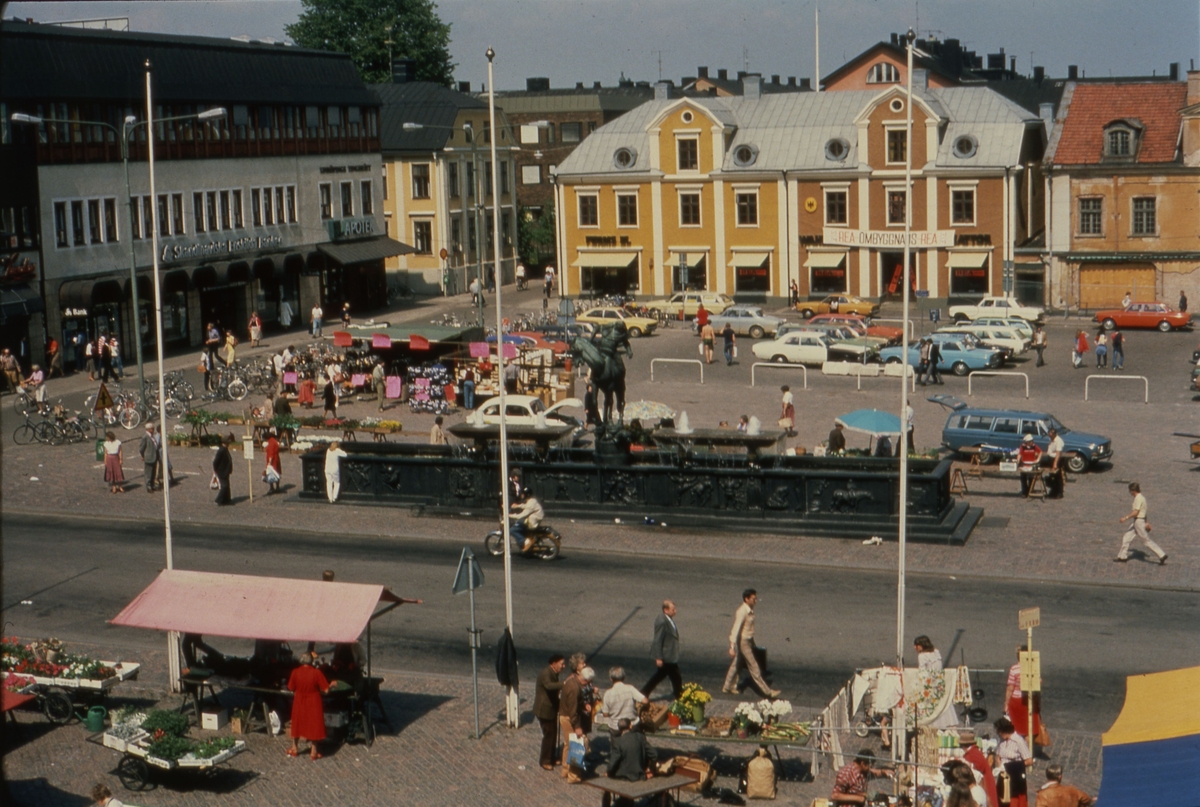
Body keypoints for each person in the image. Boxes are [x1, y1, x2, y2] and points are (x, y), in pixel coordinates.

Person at [723, 588, 778, 697]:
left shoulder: (750, 609)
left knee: (737, 664)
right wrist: (732, 646)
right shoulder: (742, 612)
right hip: (743, 642)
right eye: (753, 598)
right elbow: (736, 628)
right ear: (746, 599)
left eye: (756, 598)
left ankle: (727, 686)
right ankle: (768, 691)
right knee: (754, 667)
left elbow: (749, 628)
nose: (755, 600)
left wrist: (752, 643)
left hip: (748, 641)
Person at [287, 651, 330, 760]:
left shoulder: (295, 672)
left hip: (299, 700)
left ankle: (294, 748)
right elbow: (326, 690)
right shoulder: (316, 673)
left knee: (297, 722)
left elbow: (290, 687)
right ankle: (313, 751)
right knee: (314, 724)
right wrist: (333, 684)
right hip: (313, 701)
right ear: (311, 661)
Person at [1115, 481, 1167, 564]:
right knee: (1127, 537)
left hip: (1138, 522)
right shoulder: (1142, 498)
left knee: (1146, 541)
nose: (1130, 493)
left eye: (1130, 491)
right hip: (1138, 521)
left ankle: (1161, 555)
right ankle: (1122, 557)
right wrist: (1146, 522)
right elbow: (1144, 512)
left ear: (1133, 490)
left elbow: (1136, 512)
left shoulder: (1138, 499)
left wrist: (1125, 518)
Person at [641, 600, 683, 700]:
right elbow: (658, 640)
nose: (675, 611)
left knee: (660, 676)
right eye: (673, 609)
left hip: (668, 655)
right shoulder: (662, 621)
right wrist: (658, 657)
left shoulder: (668, 619)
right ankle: (679, 696)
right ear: (666, 610)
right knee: (676, 677)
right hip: (666, 656)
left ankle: (644, 693)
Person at [534, 654, 566, 771]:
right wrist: (564, 683)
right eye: (561, 663)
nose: (563, 666)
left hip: (551, 709)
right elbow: (549, 686)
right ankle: (545, 760)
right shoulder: (546, 673)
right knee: (549, 735)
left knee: (553, 734)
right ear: (553, 663)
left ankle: (552, 757)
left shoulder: (554, 673)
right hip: (544, 710)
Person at [557, 653, 587, 777]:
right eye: (582, 663)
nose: (584, 664)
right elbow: (573, 710)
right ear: (577, 667)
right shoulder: (574, 686)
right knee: (575, 745)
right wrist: (577, 726)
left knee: (567, 744)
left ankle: (565, 769)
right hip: (569, 717)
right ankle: (573, 775)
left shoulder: (572, 680)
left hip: (565, 715)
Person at [994, 717, 1033, 807]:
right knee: (1002, 797)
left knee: (1013, 799)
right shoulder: (1002, 740)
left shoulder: (1019, 741)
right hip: (1003, 774)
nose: (998, 733)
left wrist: (1011, 766)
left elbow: (1029, 761)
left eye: (999, 731)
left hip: (1015, 775)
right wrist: (1000, 765)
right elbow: (998, 756)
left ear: (1004, 730)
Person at [959, 729, 999, 807]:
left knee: (987, 800)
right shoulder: (973, 751)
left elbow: (981, 767)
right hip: (984, 778)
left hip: (985, 780)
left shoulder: (974, 752)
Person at [603, 667, 649, 734]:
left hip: (616, 727)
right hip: (632, 724)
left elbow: (605, 714)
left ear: (611, 679)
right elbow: (645, 701)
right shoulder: (630, 689)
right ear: (624, 678)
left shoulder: (607, 694)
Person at [509, 487, 544, 553]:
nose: (521, 495)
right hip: (533, 520)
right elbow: (527, 506)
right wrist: (517, 506)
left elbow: (521, 515)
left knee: (512, 530)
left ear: (526, 495)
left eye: (523, 494)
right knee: (518, 523)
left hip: (532, 523)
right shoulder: (532, 501)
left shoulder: (531, 504)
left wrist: (510, 515)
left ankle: (524, 541)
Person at [1045, 428, 1066, 499]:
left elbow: (1058, 454)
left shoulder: (1058, 441)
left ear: (1054, 434)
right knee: (1052, 476)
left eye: (1051, 434)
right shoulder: (1051, 440)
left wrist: (1055, 463)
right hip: (1051, 459)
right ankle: (1053, 492)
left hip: (1056, 460)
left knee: (1058, 477)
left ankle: (1059, 493)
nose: (1049, 436)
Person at [213, 435, 233, 505]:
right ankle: (218, 499)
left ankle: (226, 499)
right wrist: (216, 470)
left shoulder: (225, 449)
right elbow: (215, 462)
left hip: (225, 470)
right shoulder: (221, 450)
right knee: (225, 486)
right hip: (222, 471)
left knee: (227, 485)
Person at [139, 424, 159, 493]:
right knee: (148, 473)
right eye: (152, 429)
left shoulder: (152, 436)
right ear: (149, 429)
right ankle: (148, 486)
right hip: (149, 457)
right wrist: (143, 455)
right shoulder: (145, 437)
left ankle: (152, 485)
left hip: (154, 456)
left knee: (153, 472)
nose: (153, 430)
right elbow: (141, 448)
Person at [264, 429, 282, 494]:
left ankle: (272, 488)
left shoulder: (271, 443)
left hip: (272, 460)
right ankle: (277, 486)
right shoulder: (274, 441)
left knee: (270, 473)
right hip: (277, 458)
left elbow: (271, 453)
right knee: (277, 472)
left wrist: (269, 462)